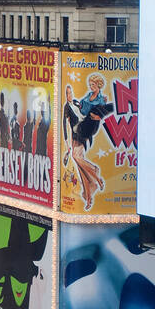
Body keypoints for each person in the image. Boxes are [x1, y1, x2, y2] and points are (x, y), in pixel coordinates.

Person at [62, 72, 112, 210]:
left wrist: (101, 110)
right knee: (80, 168)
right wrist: (67, 143)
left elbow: (97, 113)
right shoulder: (69, 106)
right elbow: (65, 125)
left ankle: (96, 175)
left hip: (85, 131)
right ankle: (89, 196)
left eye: (70, 93)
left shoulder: (88, 101)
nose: (70, 96)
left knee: (76, 157)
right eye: (67, 93)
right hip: (75, 134)